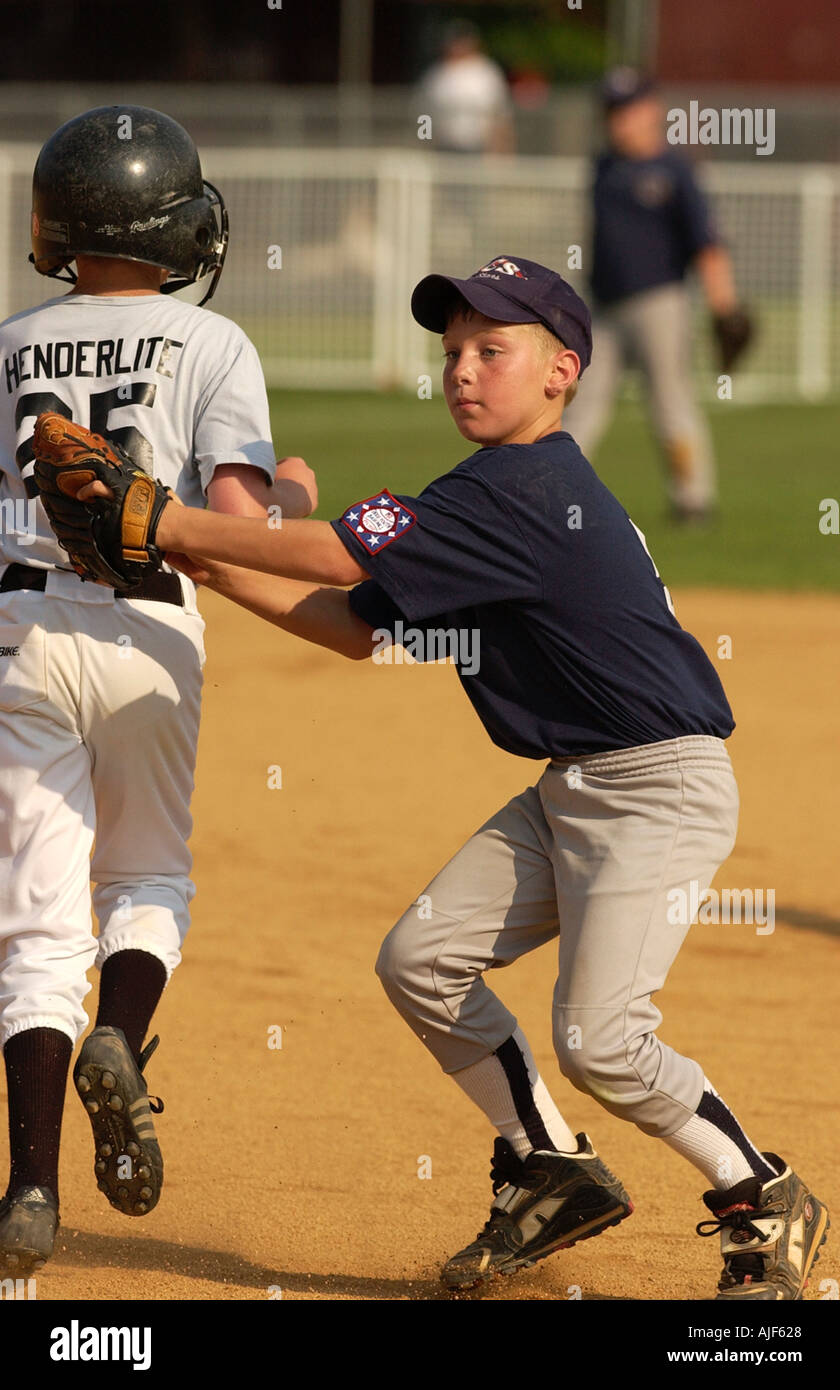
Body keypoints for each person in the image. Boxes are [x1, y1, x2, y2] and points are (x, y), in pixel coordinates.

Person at [63, 254, 827, 1301]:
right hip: (574, 788)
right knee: (422, 956)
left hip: (660, 786)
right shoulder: (484, 499)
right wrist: (199, 559)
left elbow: (334, 556)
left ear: (563, 371)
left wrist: (164, 522)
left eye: (492, 349)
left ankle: (762, 1192)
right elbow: (352, 628)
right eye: (453, 350)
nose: (462, 369)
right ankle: (548, 1163)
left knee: (601, 1037)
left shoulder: (528, 490)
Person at [0, 104, 315, 1274]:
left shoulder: (11, 340)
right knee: (147, 874)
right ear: (174, 223)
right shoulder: (211, 341)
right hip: (149, 628)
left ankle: (29, 1188)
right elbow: (235, 530)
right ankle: (120, 1037)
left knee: (35, 923)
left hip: (18, 630)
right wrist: (288, 489)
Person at [565, 69, 745, 523]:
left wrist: (725, 307)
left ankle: (692, 499)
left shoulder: (675, 171)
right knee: (579, 403)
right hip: (603, 307)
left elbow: (707, 244)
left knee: (670, 402)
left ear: (652, 110)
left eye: (626, 109)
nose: (618, 120)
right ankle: (556, 496)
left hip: (659, 303)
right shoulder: (603, 166)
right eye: (611, 111)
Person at [418, 21, 514, 155]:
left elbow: (499, 113)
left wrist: (500, 150)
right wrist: (425, 145)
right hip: (443, 147)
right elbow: (424, 114)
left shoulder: (486, 72)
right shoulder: (436, 75)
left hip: (479, 147)